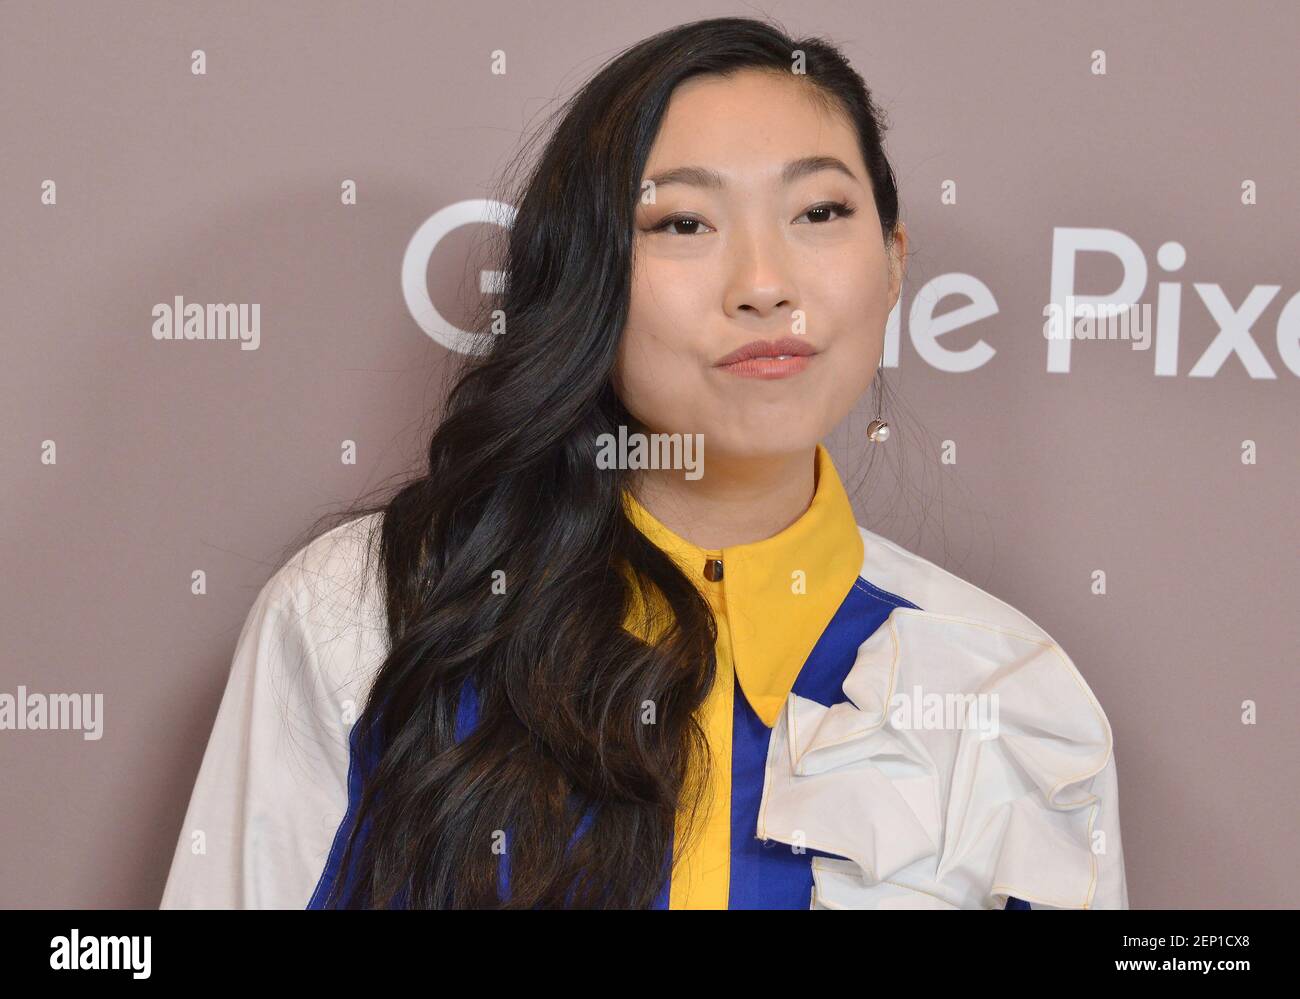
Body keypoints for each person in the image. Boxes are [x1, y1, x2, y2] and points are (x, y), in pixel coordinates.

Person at [160, 15, 1128, 910]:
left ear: (893, 262)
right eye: (681, 224)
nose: (763, 285)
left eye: (820, 212)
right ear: (589, 279)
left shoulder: (1002, 684)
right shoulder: (373, 611)